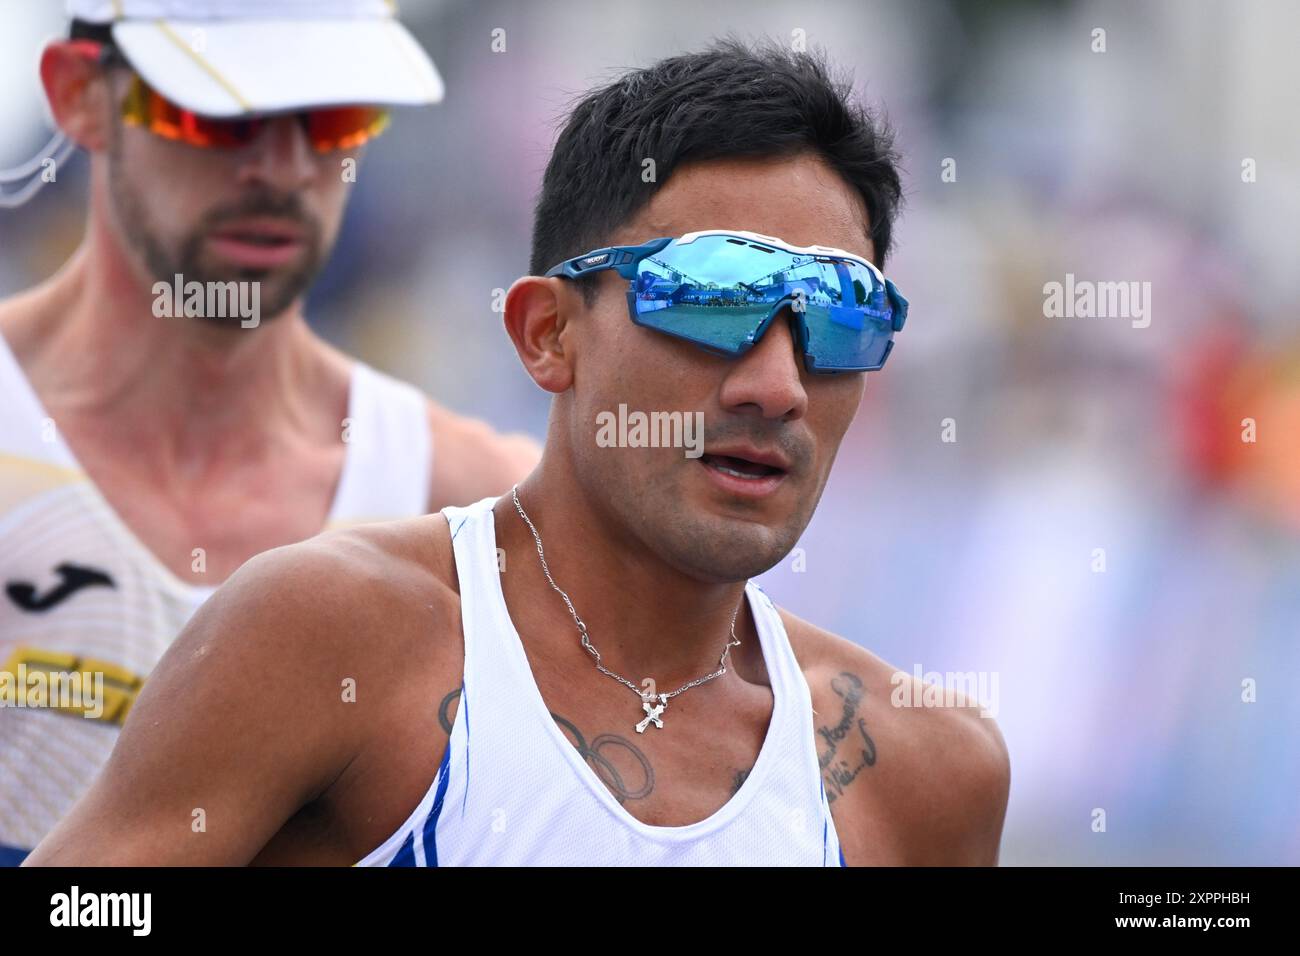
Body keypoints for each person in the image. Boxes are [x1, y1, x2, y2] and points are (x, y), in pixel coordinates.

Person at [26, 38, 1009, 867]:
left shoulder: (925, 770)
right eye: (713, 295)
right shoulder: (333, 633)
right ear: (548, 332)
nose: (779, 383)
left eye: (841, 320)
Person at [0, 0, 539, 865]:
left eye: (332, 116)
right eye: (220, 113)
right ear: (78, 96)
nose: (284, 168)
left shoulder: (474, 498)